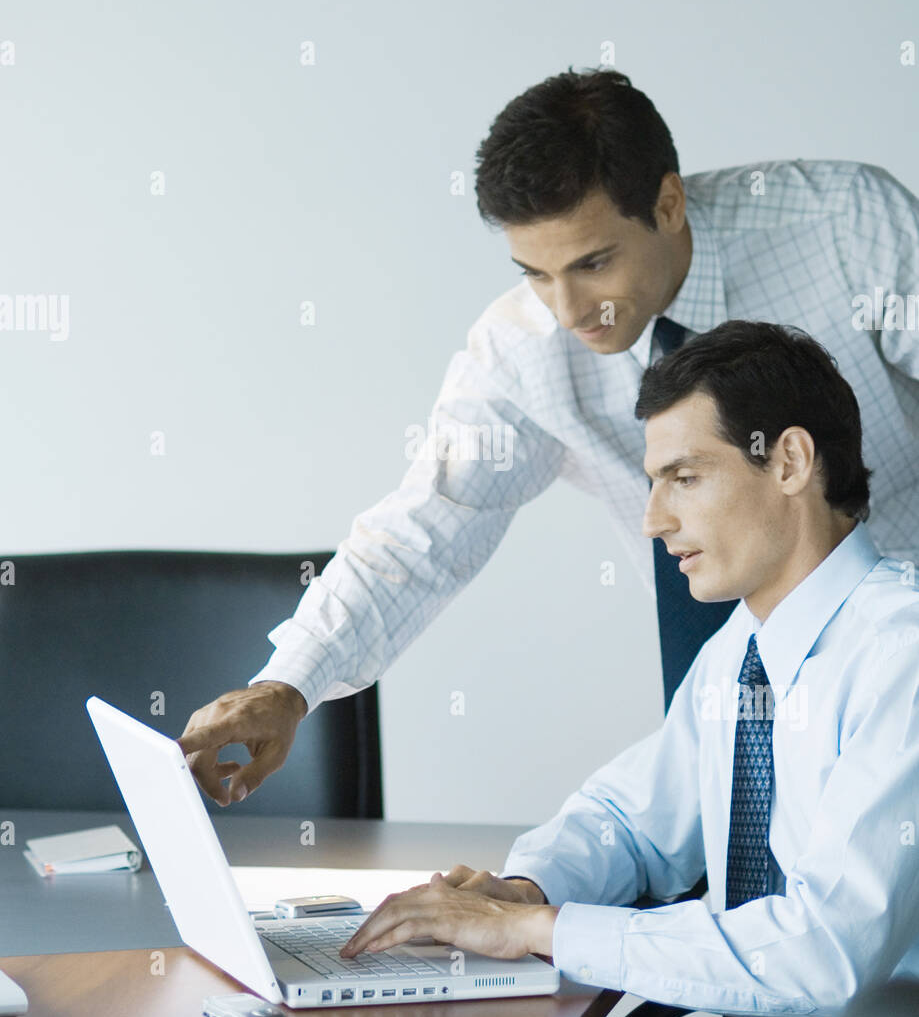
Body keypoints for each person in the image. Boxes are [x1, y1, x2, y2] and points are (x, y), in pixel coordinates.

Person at [177, 67, 919, 806]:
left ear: (667, 204)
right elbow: (424, 531)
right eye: (535, 273)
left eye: (593, 263)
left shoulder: (845, 228)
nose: (569, 310)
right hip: (729, 709)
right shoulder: (523, 351)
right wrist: (289, 685)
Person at [336, 321, 919, 1017]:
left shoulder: (900, 653)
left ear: (787, 461)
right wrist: (528, 889)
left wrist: (540, 931)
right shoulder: (744, 645)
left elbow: (824, 953)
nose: (652, 519)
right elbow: (634, 822)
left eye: (684, 477)